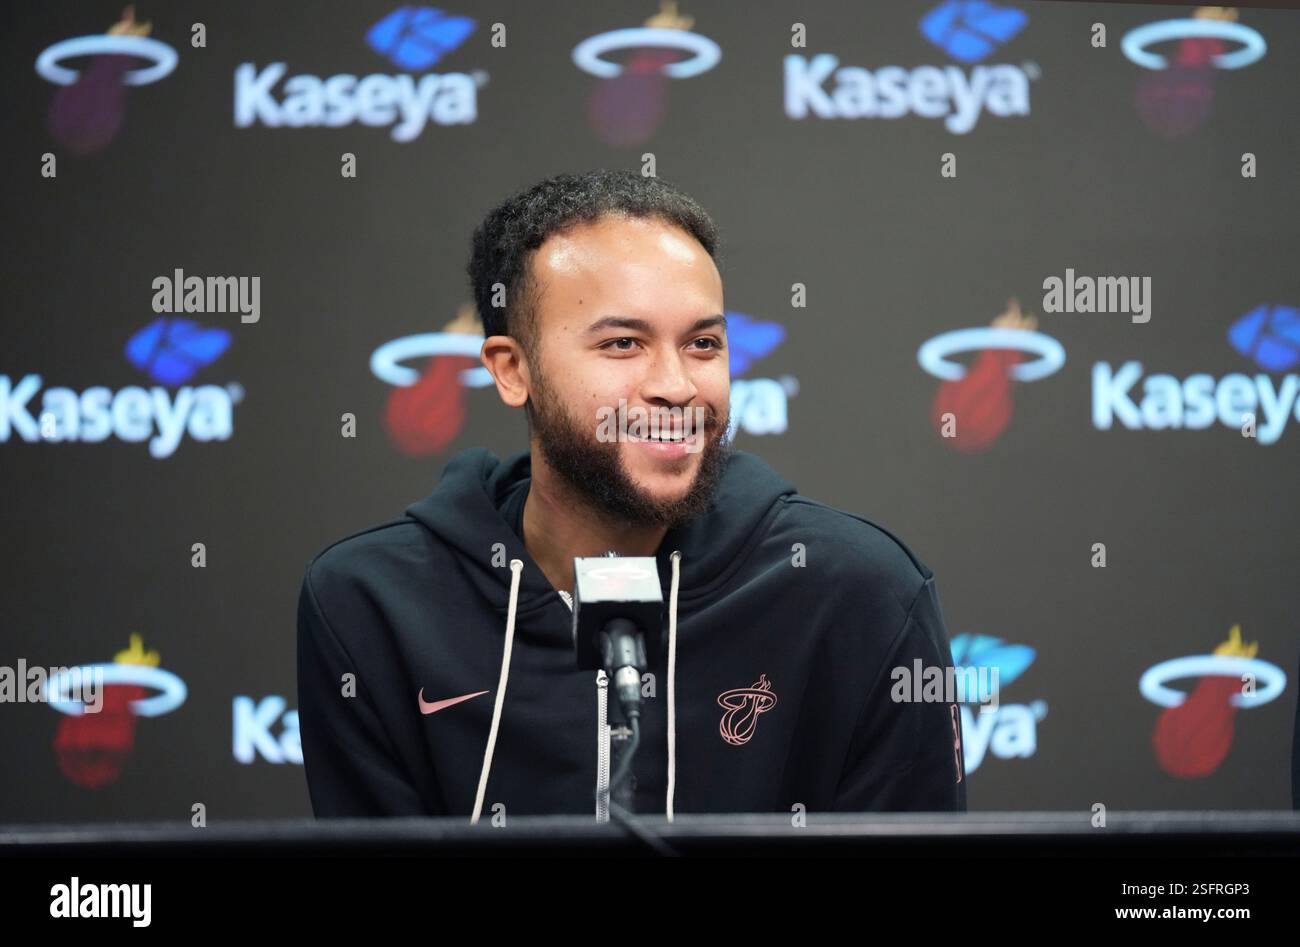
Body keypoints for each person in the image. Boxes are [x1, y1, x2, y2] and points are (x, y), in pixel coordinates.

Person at [297, 169, 967, 820]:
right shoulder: (372, 603)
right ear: (512, 369)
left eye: (703, 343)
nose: (676, 385)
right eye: (623, 343)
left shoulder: (858, 593)